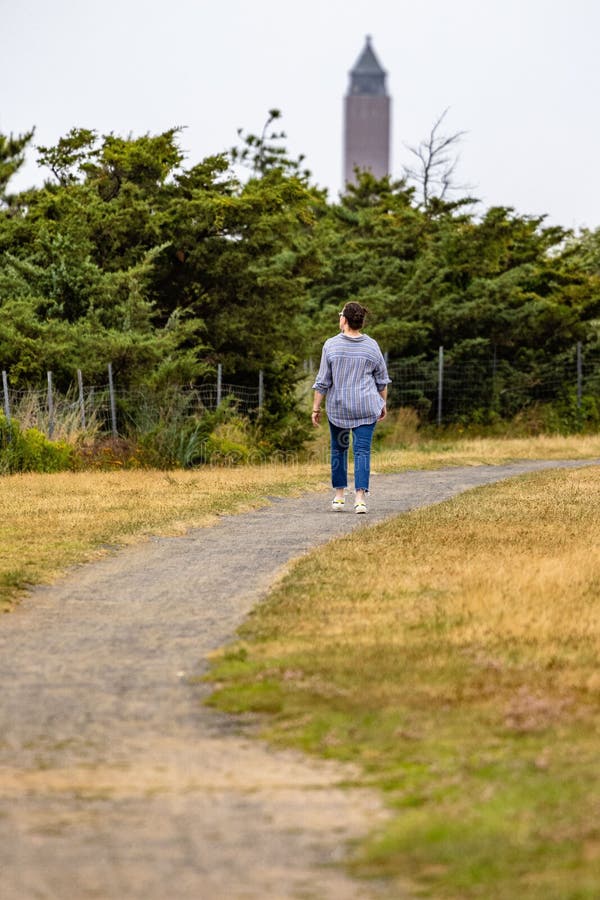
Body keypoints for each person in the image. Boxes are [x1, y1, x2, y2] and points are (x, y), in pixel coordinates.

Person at [311, 302, 391, 514]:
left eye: (340, 315)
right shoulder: (372, 345)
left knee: (339, 449)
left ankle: (339, 496)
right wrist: (383, 404)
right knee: (362, 451)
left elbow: (323, 381)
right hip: (366, 406)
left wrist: (316, 408)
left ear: (344, 320)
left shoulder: (330, 345)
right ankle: (360, 499)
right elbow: (382, 380)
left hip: (339, 408)